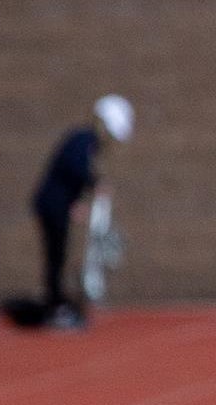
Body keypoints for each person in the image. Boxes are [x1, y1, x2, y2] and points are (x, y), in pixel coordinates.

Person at [33, 95, 132, 329]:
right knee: (56, 254)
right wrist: (95, 184)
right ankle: (55, 304)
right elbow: (74, 167)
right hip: (52, 204)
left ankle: (57, 301)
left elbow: (68, 174)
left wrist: (74, 202)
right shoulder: (83, 139)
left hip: (58, 204)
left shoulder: (86, 142)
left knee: (60, 253)